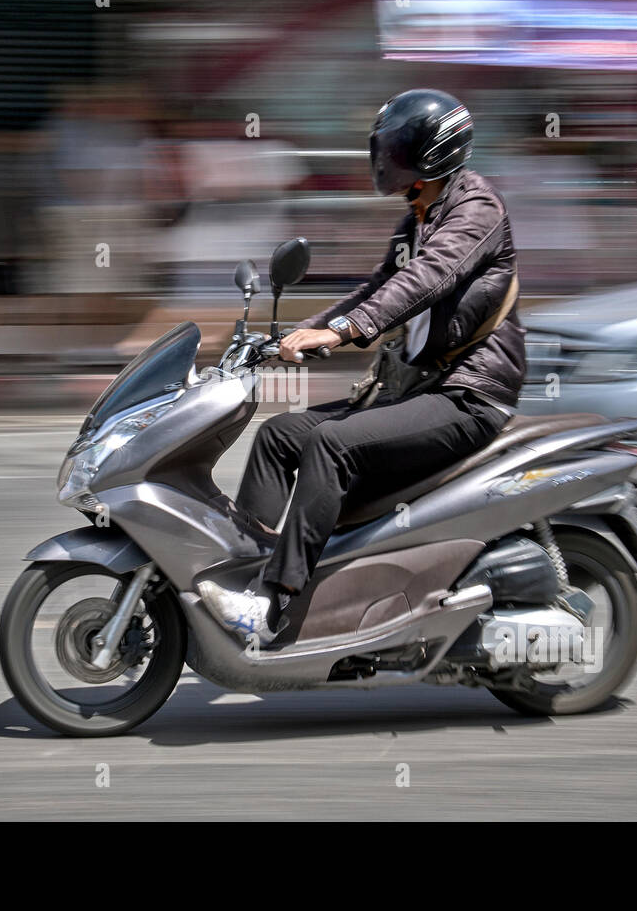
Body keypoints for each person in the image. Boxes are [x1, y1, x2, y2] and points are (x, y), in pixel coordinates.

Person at [198, 88, 526, 644]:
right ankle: (246, 570)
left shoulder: (476, 210)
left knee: (332, 443)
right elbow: (377, 288)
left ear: (431, 154)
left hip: (468, 394)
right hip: (420, 388)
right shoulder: (420, 216)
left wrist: (345, 330)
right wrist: (292, 335)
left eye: (397, 149)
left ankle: (273, 603)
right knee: (281, 434)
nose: (384, 161)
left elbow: (426, 281)